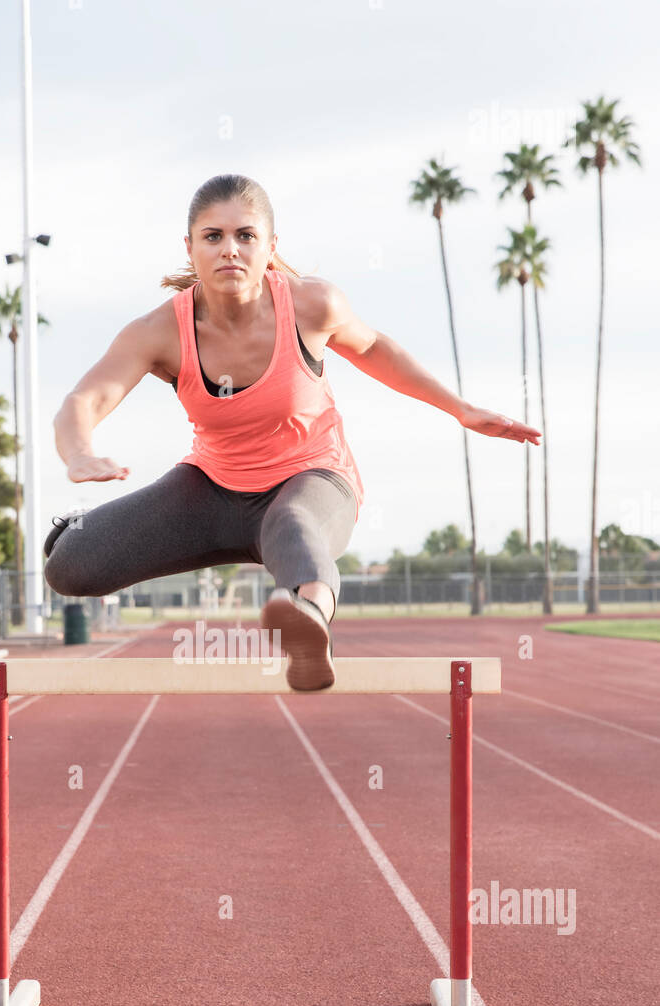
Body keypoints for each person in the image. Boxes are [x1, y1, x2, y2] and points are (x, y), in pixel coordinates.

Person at [45, 173, 539, 690]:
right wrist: (79, 452)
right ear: (189, 248)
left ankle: (308, 625)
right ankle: (77, 533)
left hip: (313, 480)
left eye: (246, 236)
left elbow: (375, 350)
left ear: (271, 247)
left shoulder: (310, 305)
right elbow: (84, 400)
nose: (229, 250)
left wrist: (459, 408)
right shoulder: (159, 331)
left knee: (293, 521)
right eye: (213, 236)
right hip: (213, 494)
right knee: (69, 564)